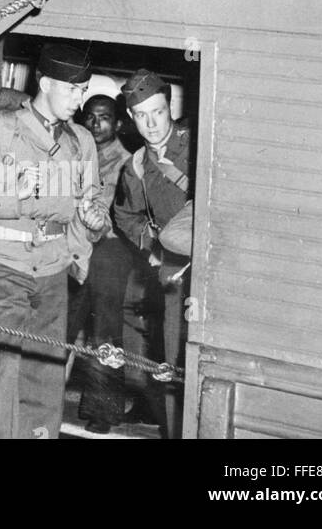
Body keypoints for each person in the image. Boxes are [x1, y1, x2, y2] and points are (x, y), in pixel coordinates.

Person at [0, 43, 109, 438]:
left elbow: (93, 199)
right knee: (9, 361)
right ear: (45, 82)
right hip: (3, 261)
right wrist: (11, 197)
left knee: (47, 368)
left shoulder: (81, 141)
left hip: (54, 265)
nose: (79, 99)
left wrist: (93, 217)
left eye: (83, 90)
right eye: (72, 89)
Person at [113, 68, 192, 439]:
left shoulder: (196, 143)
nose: (151, 123)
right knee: (174, 367)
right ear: (131, 118)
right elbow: (124, 215)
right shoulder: (136, 167)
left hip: (212, 269)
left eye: (157, 112)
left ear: (170, 108)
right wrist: (153, 247)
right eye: (141, 115)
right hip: (175, 277)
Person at [68, 91, 135, 433]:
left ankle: (103, 411)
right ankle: (44, 396)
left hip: (109, 254)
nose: (96, 123)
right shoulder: (77, 151)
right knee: (63, 323)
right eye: (90, 117)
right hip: (76, 247)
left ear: (118, 122)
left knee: (104, 333)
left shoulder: (126, 161)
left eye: (104, 117)